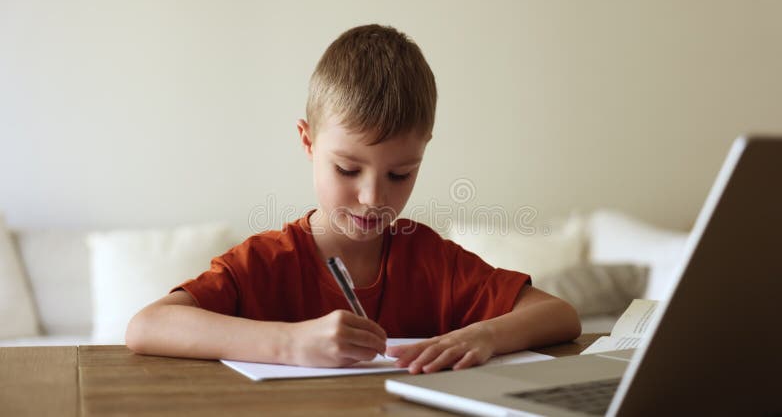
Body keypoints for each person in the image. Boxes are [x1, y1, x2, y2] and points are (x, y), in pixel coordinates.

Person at [126, 24, 581, 374]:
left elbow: (559, 315)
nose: (373, 197)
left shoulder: (431, 261)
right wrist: (291, 344)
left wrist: (483, 336)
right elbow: (147, 326)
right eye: (347, 169)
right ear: (307, 142)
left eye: (400, 174)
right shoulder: (266, 263)